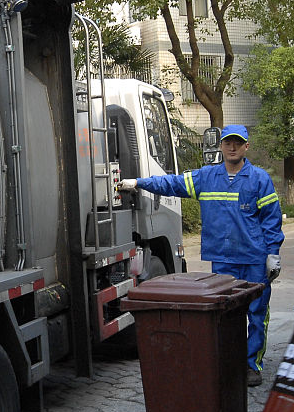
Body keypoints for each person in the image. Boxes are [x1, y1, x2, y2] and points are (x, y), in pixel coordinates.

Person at [119, 124, 283, 386]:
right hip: (223, 259)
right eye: (228, 142)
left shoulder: (260, 179)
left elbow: (271, 220)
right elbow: (171, 183)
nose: (232, 147)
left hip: (254, 258)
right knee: (227, 316)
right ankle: (229, 361)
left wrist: (273, 254)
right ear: (221, 146)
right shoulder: (206, 177)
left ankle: (252, 365)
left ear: (246, 147)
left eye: (237, 143)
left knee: (257, 313)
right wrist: (139, 183)